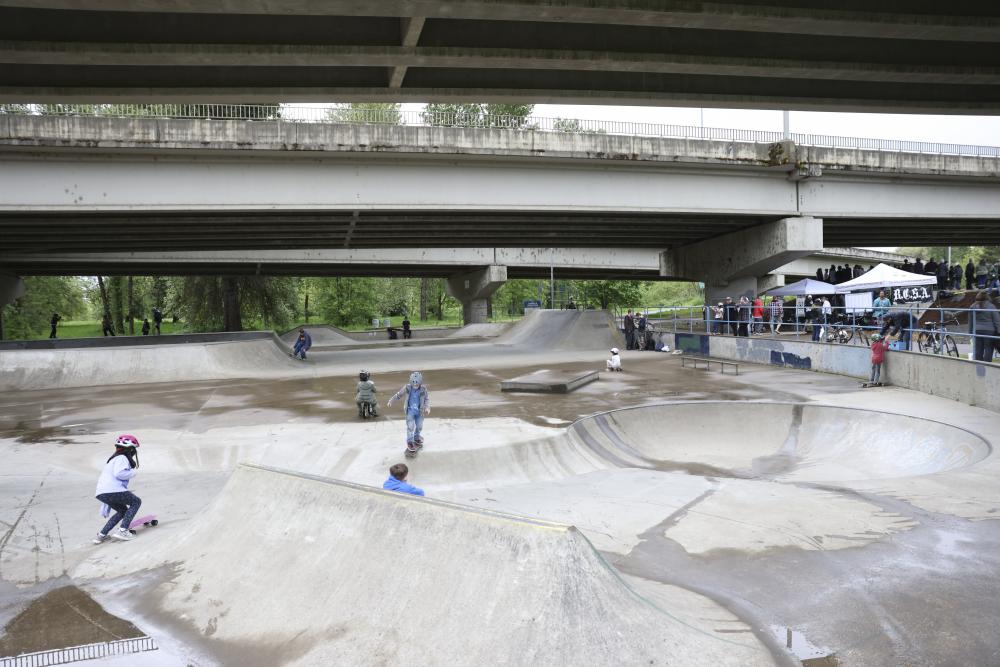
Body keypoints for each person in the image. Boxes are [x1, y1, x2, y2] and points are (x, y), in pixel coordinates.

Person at [92, 435, 142, 544]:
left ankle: (101, 535)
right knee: (136, 502)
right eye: (134, 449)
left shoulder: (113, 459)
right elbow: (119, 473)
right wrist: (133, 472)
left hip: (102, 492)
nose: (134, 452)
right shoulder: (122, 458)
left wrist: (107, 502)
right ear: (130, 449)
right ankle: (123, 530)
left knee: (122, 510)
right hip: (113, 490)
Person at [387, 371, 431, 453]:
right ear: (411, 381)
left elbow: (427, 399)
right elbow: (399, 395)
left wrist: (427, 407)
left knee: (419, 426)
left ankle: (417, 437)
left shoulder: (423, 389)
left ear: (420, 382)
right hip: (410, 411)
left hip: (420, 412)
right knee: (410, 427)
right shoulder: (407, 387)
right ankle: (410, 442)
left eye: (417, 384)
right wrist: (391, 401)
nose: (415, 385)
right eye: (413, 383)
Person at [969, 290, 1000, 363]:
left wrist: (970, 332)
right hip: (990, 331)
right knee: (988, 349)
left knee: (978, 349)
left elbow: (970, 321)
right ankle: (988, 365)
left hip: (977, 330)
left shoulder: (972, 306)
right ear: (987, 297)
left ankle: (979, 367)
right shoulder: (991, 306)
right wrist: (999, 331)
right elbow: (997, 321)